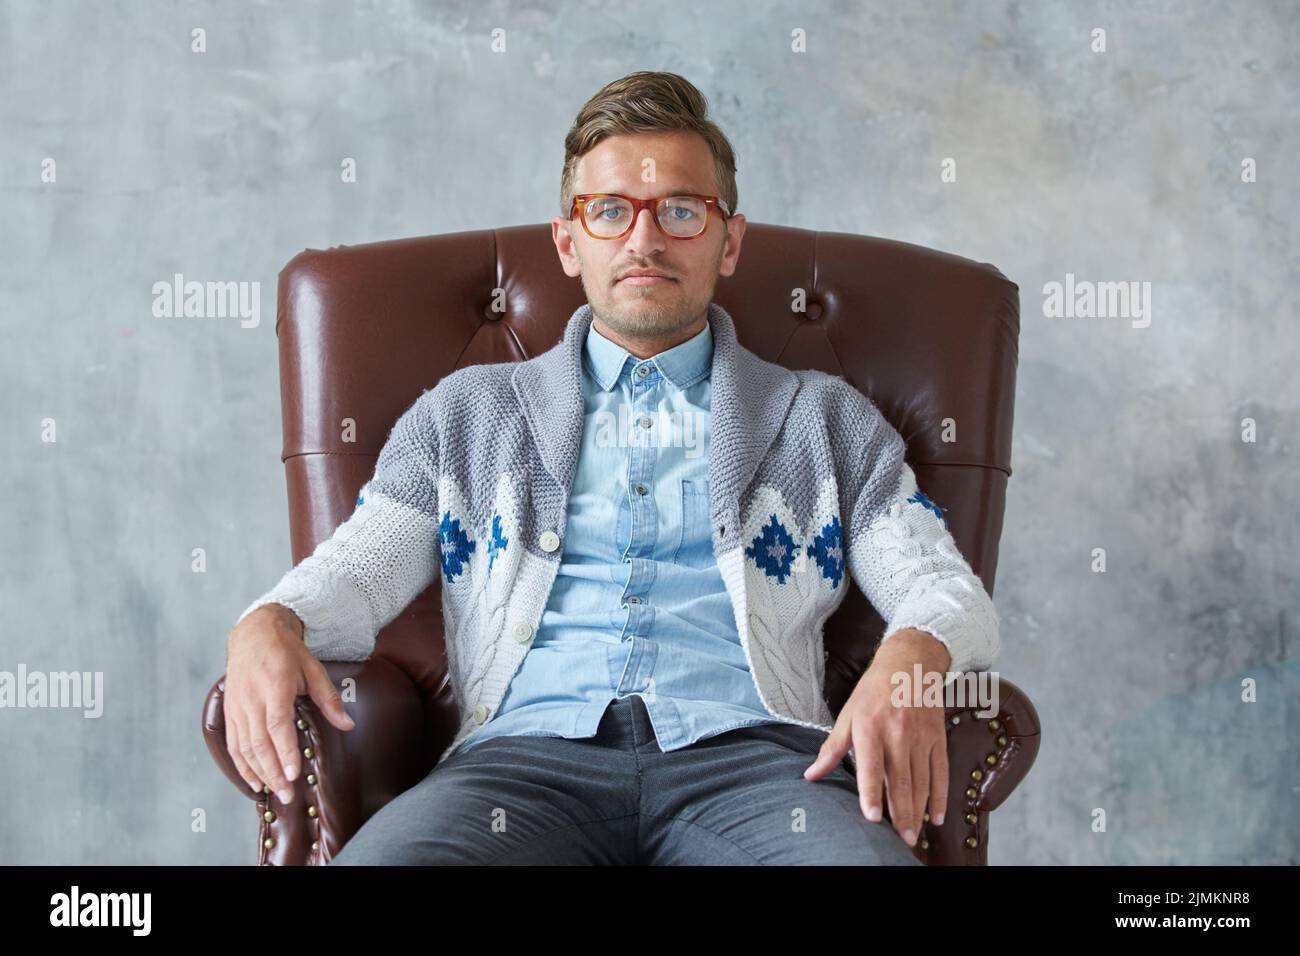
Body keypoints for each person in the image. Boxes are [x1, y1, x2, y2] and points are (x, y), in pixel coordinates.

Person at [224, 71, 999, 865]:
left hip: (761, 769)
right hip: (517, 771)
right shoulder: (466, 416)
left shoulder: (822, 421)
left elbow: (948, 594)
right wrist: (270, 621)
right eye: (610, 210)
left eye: (681, 210)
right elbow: (354, 574)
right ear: (569, 241)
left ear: (729, 242)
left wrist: (913, 656)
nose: (645, 239)